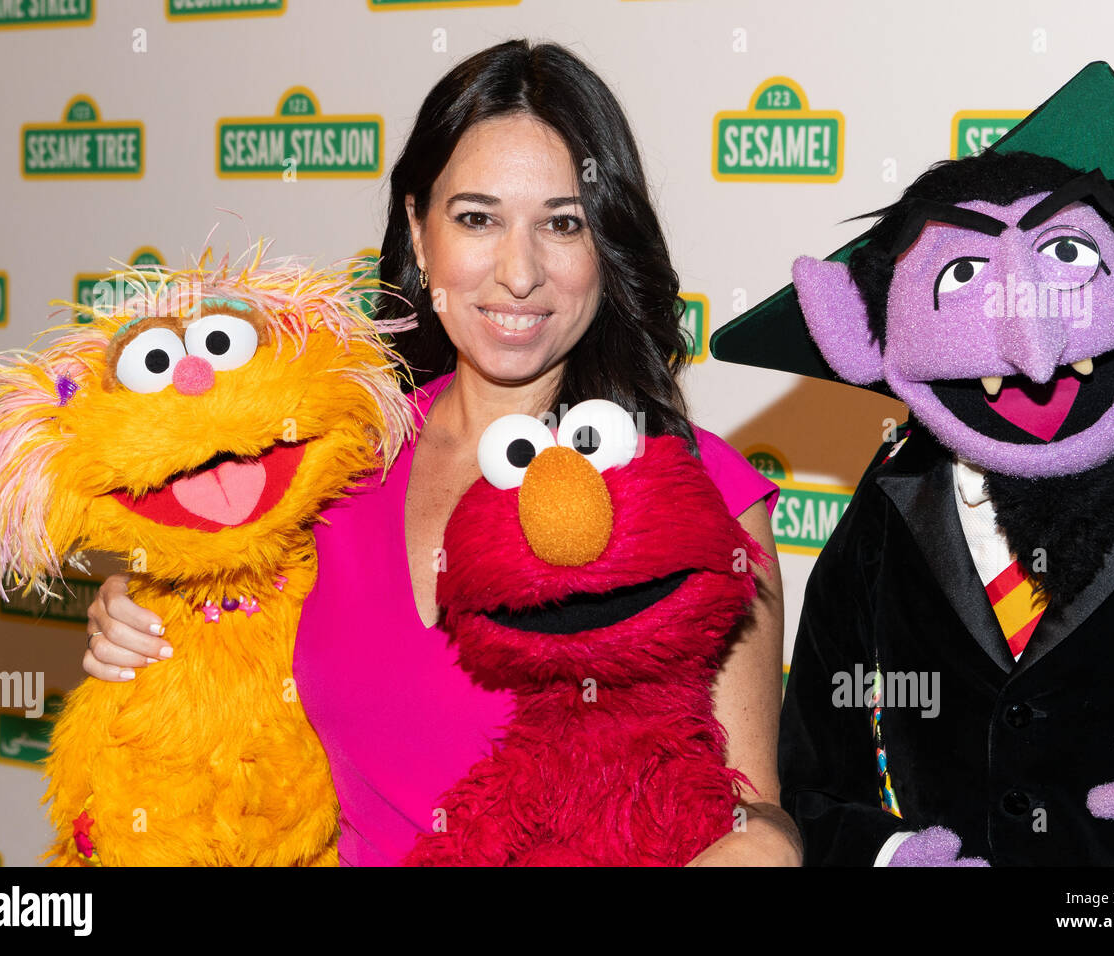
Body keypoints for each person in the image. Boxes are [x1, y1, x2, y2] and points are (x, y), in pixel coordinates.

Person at [83, 39, 801, 866]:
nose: (519, 272)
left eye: (563, 223)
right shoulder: (331, 464)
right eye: (478, 219)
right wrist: (139, 612)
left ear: (607, 245)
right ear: (420, 235)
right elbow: (223, 656)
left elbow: (748, 804)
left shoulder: (695, 491)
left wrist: (768, 849)